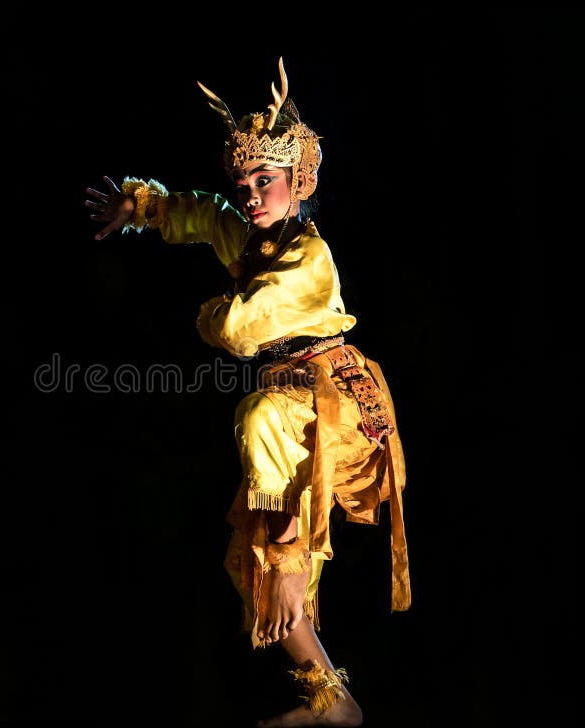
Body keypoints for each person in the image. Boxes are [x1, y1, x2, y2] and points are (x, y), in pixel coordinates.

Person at [84, 57, 411, 728]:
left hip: (336, 408)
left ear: (300, 181)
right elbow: (201, 214)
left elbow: (237, 327)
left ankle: (294, 553)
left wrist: (206, 316)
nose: (252, 195)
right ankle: (329, 695)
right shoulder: (248, 230)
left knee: (256, 418)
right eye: (245, 183)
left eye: (267, 181)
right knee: (254, 557)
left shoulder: (307, 257)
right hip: (294, 409)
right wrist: (141, 206)